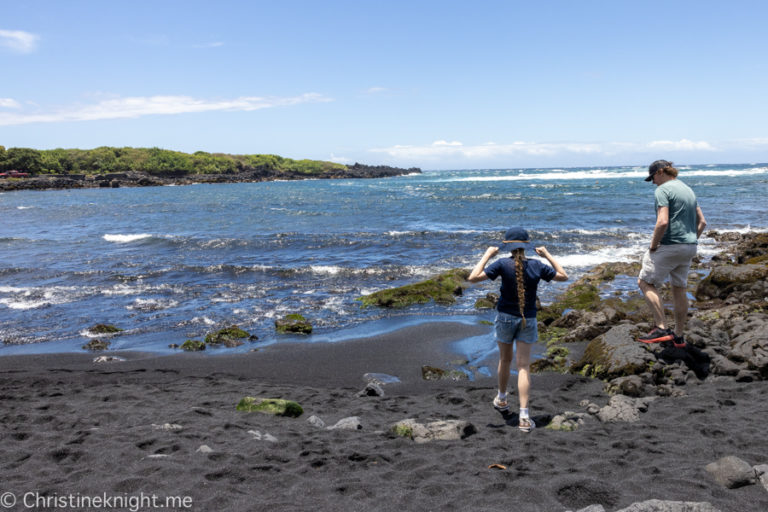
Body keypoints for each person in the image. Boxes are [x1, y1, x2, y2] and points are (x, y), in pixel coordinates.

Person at [468, 227, 568, 432]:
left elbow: (473, 278)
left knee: (505, 360)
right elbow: (563, 276)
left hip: (505, 317)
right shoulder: (537, 265)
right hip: (528, 319)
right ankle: (524, 416)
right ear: (526, 246)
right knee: (523, 366)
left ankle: (502, 399)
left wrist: (487, 254)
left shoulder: (502, 264)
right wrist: (547, 254)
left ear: (509, 246)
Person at [636, 160, 707, 347]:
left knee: (645, 282)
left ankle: (661, 328)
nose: (653, 182)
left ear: (660, 172)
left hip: (670, 245)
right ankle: (679, 335)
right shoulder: (688, 190)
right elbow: (702, 222)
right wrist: (691, 239)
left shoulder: (663, 190)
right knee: (679, 288)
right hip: (690, 246)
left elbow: (662, 222)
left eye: (653, 177)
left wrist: (653, 245)